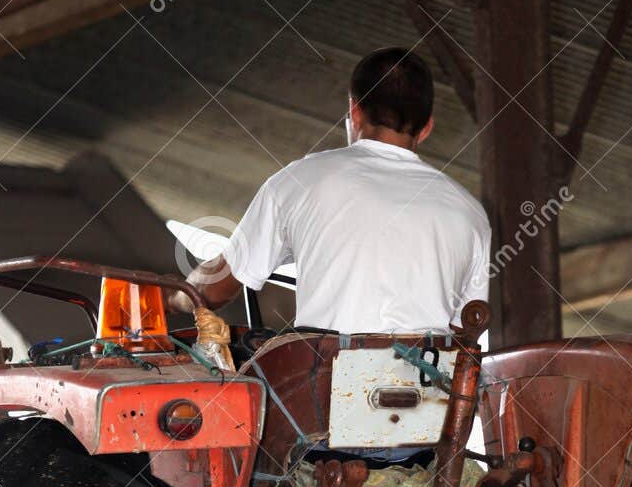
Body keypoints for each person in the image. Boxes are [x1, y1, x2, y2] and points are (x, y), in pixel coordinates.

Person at [180, 47, 491, 335]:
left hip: (325, 384)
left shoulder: (299, 180)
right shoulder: (470, 212)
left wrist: (177, 295)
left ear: (355, 112)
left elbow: (216, 289)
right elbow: (466, 329)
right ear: (427, 128)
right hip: (434, 388)